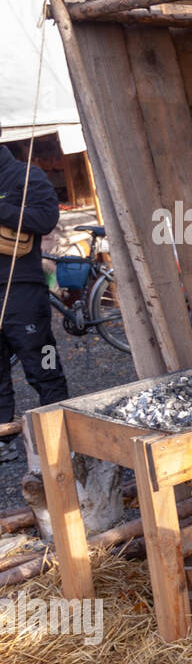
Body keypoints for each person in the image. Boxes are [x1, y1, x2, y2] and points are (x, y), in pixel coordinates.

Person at [0, 140, 69, 454]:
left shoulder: (25, 176)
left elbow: (45, 219)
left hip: (22, 289)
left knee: (43, 359)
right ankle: (3, 441)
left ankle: (61, 431)